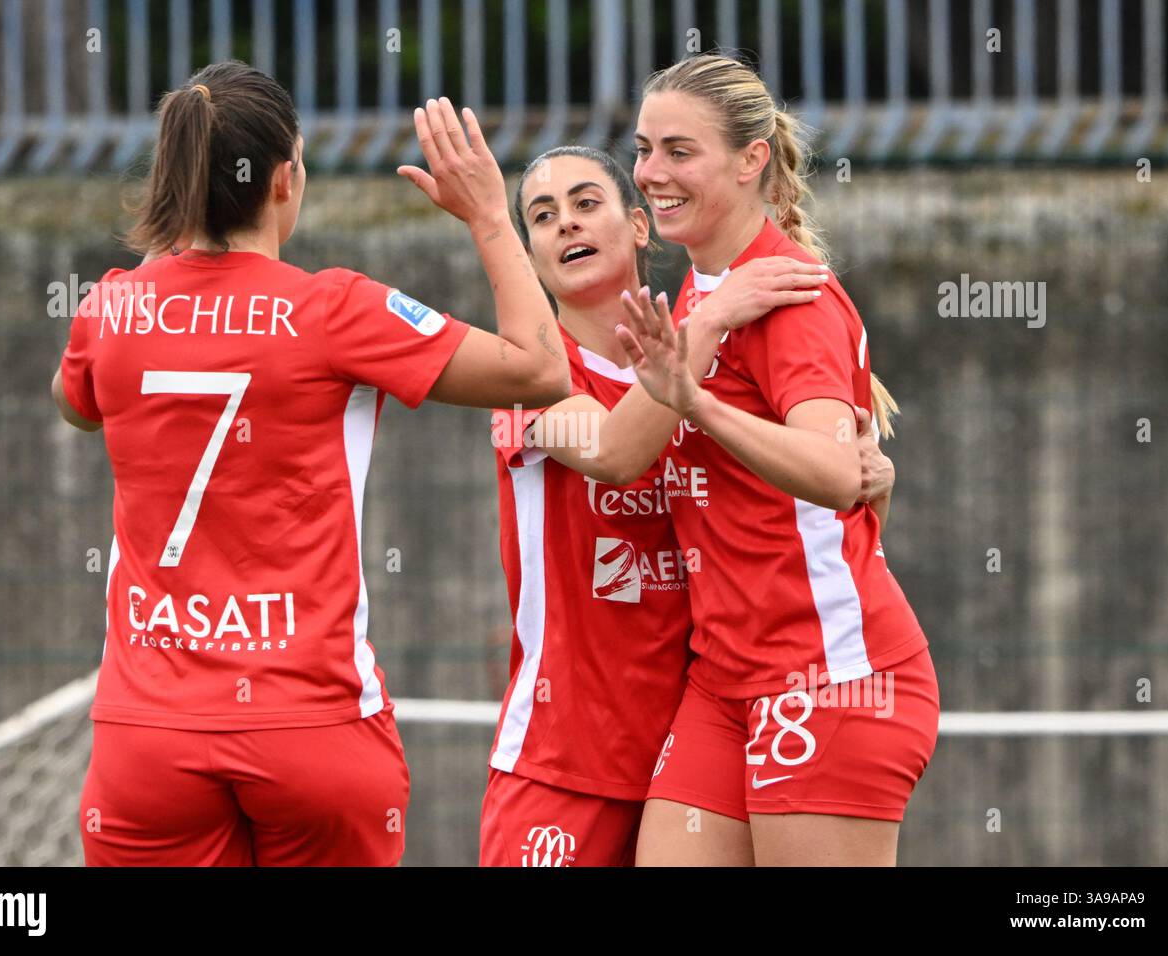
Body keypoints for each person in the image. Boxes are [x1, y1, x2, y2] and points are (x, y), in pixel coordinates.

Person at [50, 60, 569, 866]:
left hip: (148, 741)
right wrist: (489, 219)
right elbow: (541, 370)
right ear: (285, 179)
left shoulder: (115, 304)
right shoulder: (334, 308)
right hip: (313, 731)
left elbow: (72, 402)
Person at [478, 145, 896, 866]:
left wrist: (869, 489)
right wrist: (707, 316)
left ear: (640, 227)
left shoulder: (726, 354)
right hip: (567, 761)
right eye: (541, 218)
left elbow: (792, 543)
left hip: (707, 747)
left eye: (585, 203)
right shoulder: (533, 377)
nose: (565, 226)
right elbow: (612, 451)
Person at [617, 53, 939, 866]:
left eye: (678, 152)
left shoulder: (787, 296)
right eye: (643, 149)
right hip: (724, 682)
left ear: (751, 158)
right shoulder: (705, 293)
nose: (650, 173)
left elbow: (835, 478)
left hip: (827, 681)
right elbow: (620, 453)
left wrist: (698, 402)